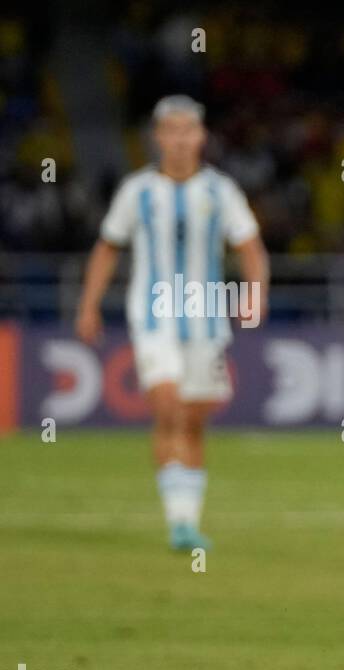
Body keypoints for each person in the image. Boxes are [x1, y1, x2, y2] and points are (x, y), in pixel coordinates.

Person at [76, 95, 269, 551]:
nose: (180, 139)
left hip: (207, 321)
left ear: (201, 137)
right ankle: (179, 523)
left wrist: (255, 293)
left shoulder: (220, 190)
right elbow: (107, 247)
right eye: (172, 130)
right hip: (153, 318)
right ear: (158, 137)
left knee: (194, 423)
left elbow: (250, 246)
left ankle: (186, 519)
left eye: (189, 130)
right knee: (168, 409)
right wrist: (89, 305)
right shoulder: (136, 191)